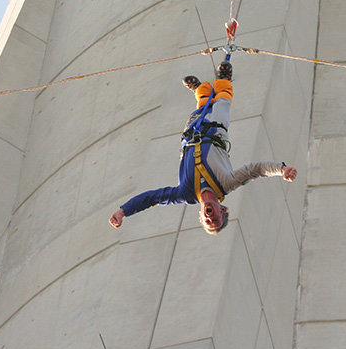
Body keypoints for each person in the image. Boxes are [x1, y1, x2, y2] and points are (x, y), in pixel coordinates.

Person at [108, 61, 297, 234]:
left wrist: (123, 211)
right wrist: (281, 169)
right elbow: (256, 170)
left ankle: (200, 89)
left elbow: (153, 198)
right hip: (215, 130)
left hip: (191, 133)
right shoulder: (227, 183)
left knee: (201, 108)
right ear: (221, 209)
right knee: (222, 102)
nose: (210, 217)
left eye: (207, 221)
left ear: (200, 215)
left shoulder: (185, 193)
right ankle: (224, 79)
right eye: (215, 219)